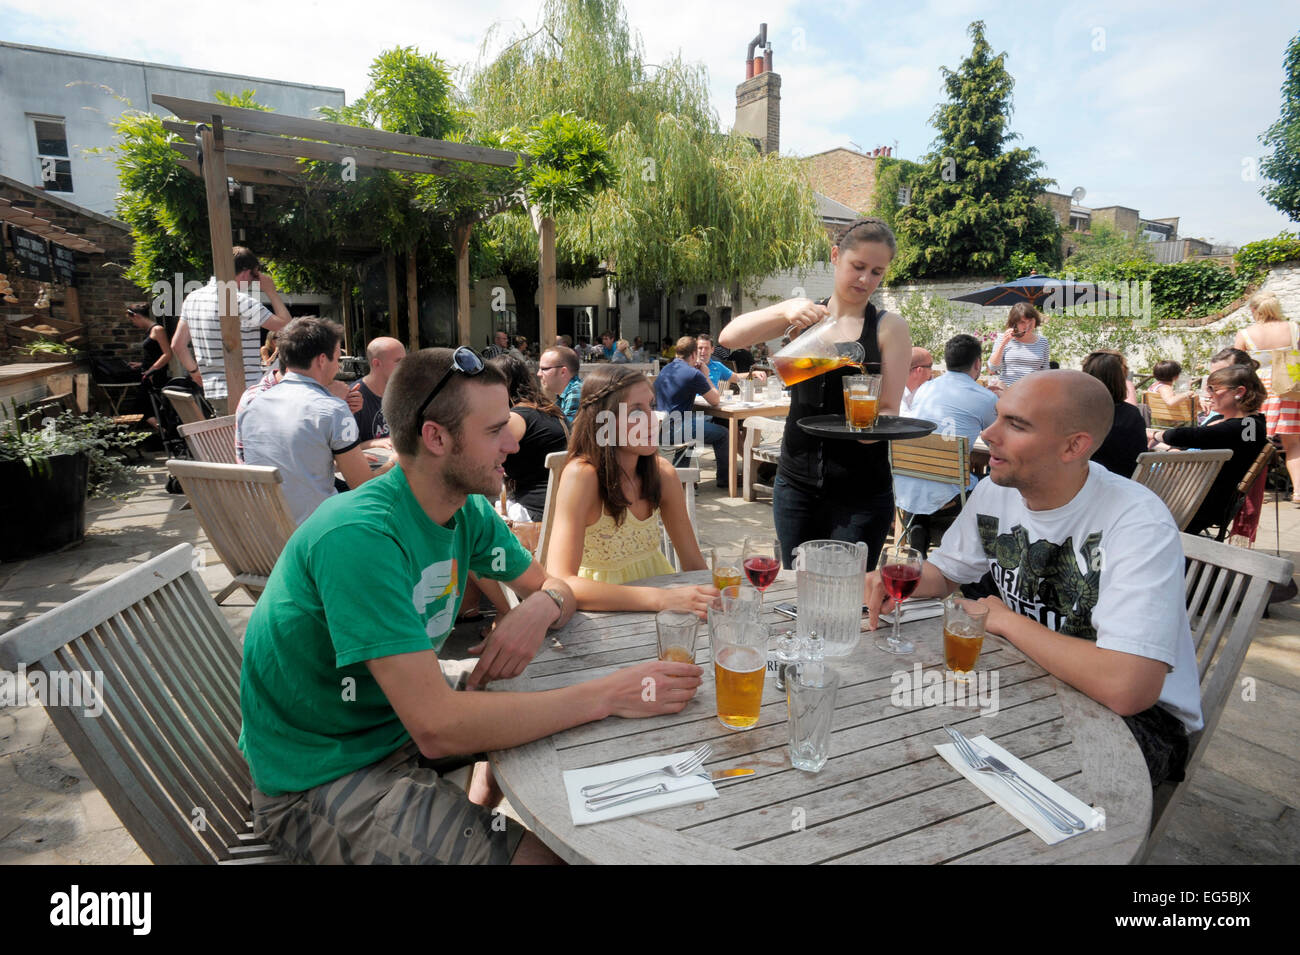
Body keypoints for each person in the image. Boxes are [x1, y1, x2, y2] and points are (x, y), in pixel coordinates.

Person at [240, 347, 702, 864]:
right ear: (436, 437)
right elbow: (437, 728)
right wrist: (607, 695)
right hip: (323, 777)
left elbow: (559, 587)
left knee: (583, 712)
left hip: (394, 725)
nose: (514, 440)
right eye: (494, 430)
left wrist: (538, 606)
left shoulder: (467, 512)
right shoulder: (358, 537)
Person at [864, 370, 1203, 786]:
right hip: (1035, 674)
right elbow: (948, 572)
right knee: (901, 725)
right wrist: (897, 577)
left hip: (1140, 722)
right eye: (997, 417)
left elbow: (1127, 688)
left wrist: (1004, 620)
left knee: (972, 769)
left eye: (1016, 424)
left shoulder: (1137, 522)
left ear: (1074, 445)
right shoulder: (997, 489)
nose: (989, 433)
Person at [719, 217, 912, 569]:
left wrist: (863, 430)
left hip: (861, 491)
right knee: (796, 584)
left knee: (847, 592)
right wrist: (785, 309)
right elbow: (729, 338)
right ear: (836, 256)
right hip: (795, 484)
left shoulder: (888, 327)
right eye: (858, 266)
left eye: (876, 272)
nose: (865, 279)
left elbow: (888, 409)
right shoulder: (805, 317)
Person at [547, 366, 717, 615]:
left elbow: (694, 565)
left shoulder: (662, 474)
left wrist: (715, 601)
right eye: (636, 410)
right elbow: (560, 581)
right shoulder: (582, 476)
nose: (653, 419)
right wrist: (660, 599)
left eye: (651, 405)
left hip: (664, 608)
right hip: (600, 612)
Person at [237, 317, 375, 525]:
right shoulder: (332, 409)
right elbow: (364, 487)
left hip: (267, 531)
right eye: (337, 359)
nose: (337, 367)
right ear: (321, 360)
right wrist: (394, 464)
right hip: (319, 533)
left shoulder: (253, 405)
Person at [894, 334, 997, 555]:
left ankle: (918, 546)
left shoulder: (924, 390)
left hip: (905, 489)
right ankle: (978, 554)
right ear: (977, 364)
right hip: (948, 495)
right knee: (994, 482)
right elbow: (997, 442)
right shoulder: (985, 398)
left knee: (935, 477)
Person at [1150, 365, 1269, 535]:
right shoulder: (1248, 422)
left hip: (1199, 503)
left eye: (1213, 389)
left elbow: (1192, 435)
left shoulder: (1248, 427)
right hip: (1197, 496)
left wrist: (1155, 435)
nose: (1208, 394)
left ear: (1240, 392)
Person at [170, 246, 290, 414]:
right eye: (255, 276)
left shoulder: (192, 299)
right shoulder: (241, 301)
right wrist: (271, 291)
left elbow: (177, 345)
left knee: (230, 439)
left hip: (214, 390)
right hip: (247, 390)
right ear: (245, 272)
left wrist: (195, 372)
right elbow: (288, 327)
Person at [1234, 292, 1300, 502]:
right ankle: (1298, 490)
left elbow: (1235, 365)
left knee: (1251, 439)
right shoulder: (1293, 328)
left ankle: (1246, 487)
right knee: (1294, 444)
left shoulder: (1245, 333)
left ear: (1255, 310)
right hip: (1289, 388)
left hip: (1258, 390)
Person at [489, 353, 569, 522]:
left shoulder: (516, 419)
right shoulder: (550, 410)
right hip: (562, 508)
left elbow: (482, 459)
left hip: (531, 514)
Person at [655, 335, 730, 488]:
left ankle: (682, 478)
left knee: (695, 426)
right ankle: (725, 479)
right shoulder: (694, 374)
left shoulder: (667, 369)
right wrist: (706, 375)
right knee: (723, 433)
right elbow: (715, 400)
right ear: (694, 354)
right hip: (677, 429)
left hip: (660, 426)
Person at [1081, 349, 1149, 479]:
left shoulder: (1075, 412)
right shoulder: (1131, 415)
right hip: (1124, 487)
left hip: (1082, 489)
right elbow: (1138, 457)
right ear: (1121, 380)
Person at [350, 336, 406, 449]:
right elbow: (342, 451)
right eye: (398, 361)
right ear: (376, 363)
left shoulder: (403, 392)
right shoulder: (353, 398)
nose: (404, 366)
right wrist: (373, 444)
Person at [125, 302, 171, 427]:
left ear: (136, 316)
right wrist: (141, 364)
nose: (133, 324)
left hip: (155, 375)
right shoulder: (149, 331)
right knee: (147, 408)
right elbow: (154, 354)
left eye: (132, 320)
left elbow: (167, 354)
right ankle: (164, 433)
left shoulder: (158, 329)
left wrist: (151, 370)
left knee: (141, 408)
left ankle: (167, 433)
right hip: (148, 373)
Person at [988, 302, 1050, 391]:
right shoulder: (1003, 338)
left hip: (1033, 392)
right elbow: (992, 368)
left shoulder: (1043, 342)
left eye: (1030, 321)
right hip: (1007, 392)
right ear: (1014, 323)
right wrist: (1003, 343)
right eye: (1022, 322)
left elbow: (1045, 371)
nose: (1027, 326)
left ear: (1035, 320)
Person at [693, 333, 766, 391]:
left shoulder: (717, 366)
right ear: (695, 349)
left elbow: (736, 377)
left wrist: (753, 373)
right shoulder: (688, 366)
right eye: (700, 348)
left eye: (706, 348)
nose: (703, 351)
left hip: (710, 406)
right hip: (694, 408)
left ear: (712, 350)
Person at [537, 345, 583, 424]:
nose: (538, 374)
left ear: (563, 372)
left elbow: (565, 432)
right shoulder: (565, 393)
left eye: (544, 369)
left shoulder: (576, 392)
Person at [901, 347, 934, 414]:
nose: (932, 371)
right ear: (919, 370)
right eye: (930, 366)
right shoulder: (893, 393)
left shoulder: (928, 390)